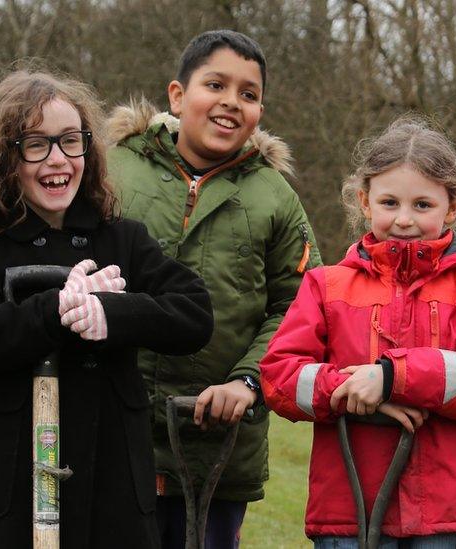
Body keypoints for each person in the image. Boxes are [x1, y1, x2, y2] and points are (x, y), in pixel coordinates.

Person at [0, 69, 213, 548]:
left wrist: (109, 313)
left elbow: (194, 313)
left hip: (110, 480)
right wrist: (55, 309)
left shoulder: (121, 238)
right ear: (2, 156)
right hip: (8, 482)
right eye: (36, 144)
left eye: (71, 141)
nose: (58, 159)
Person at [259, 116, 456, 547]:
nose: (404, 219)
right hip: (348, 507)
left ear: (451, 207)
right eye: (389, 203)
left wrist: (391, 376)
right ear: (364, 202)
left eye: (422, 205)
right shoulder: (326, 286)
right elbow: (278, 376)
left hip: (445, 514)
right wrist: (351, 388)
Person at [106, 29, 321, 547]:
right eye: (216, 85)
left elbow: (303, 306)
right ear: (178, 96)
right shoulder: (112, 170)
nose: (231, 103)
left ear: (260, 110)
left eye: (248, 94)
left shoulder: (275, 197)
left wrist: (248, 384)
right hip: (111, 432)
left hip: (216, 446)